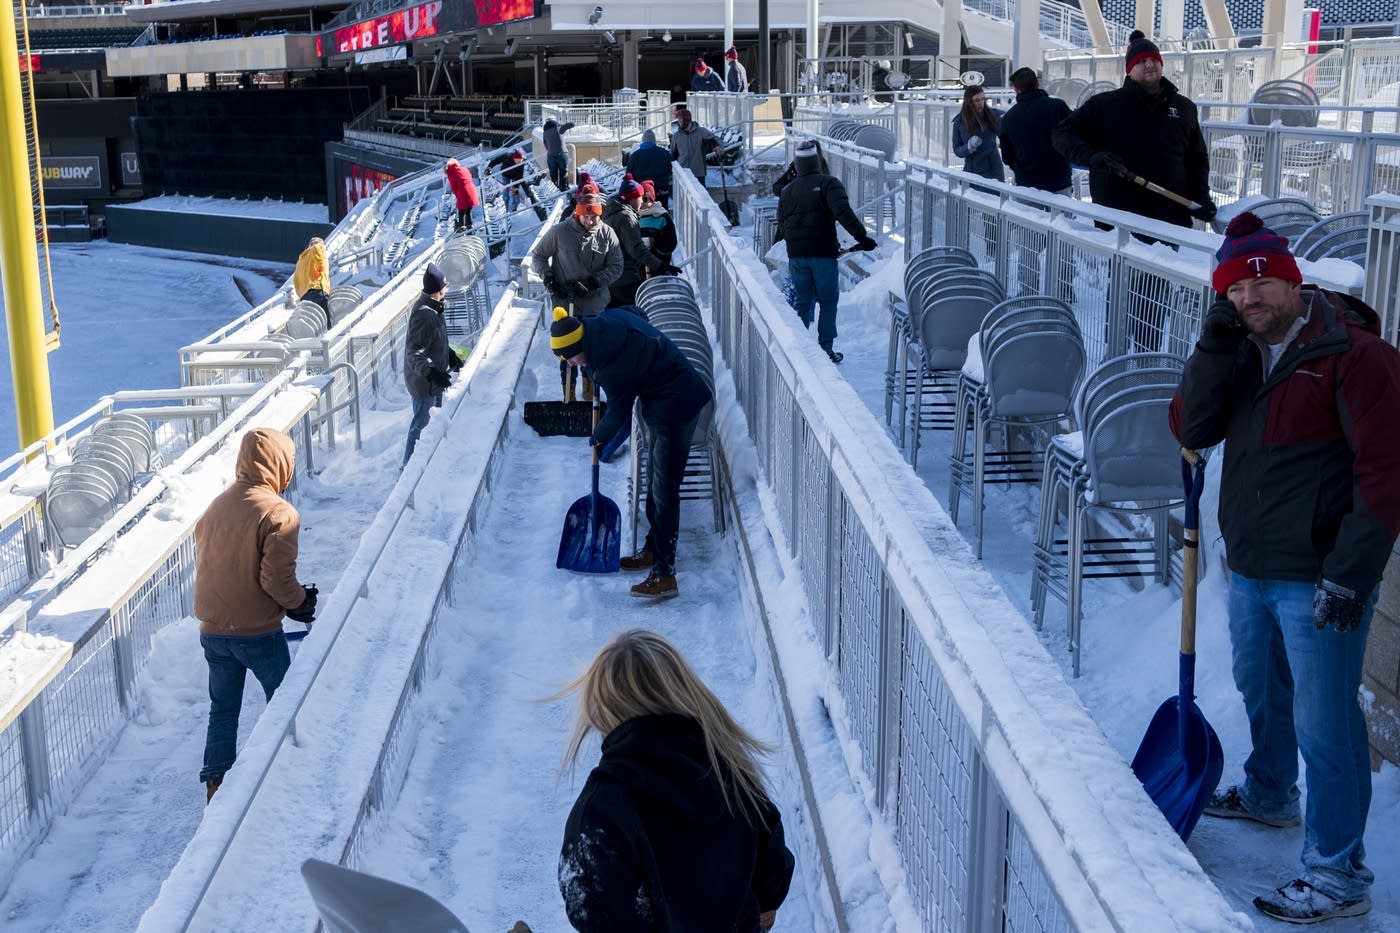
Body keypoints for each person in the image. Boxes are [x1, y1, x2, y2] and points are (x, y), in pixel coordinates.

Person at [1169, 212, 1400, 925]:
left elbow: (1387, 472)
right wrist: (1212, 348)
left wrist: (1349, 574)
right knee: (1261, 689)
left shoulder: (1356, 355)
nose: (1250, 298)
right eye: (1235, 289)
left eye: (1262, 283)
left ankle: (1338, 873)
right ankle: (1270, 794)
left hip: (1320, 574)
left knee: (1325, 724)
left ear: (1294, 281)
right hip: (1251, 564)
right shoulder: (1238, 350)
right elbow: (1191, 428)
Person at [557, 629, 795, 929]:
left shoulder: (599, 813)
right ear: (682, 689)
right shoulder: (728, 771)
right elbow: (772, 873)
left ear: (601, 711)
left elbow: (597, 911)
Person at [550, 307, 712, 598]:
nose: (571, 364)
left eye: (570, 358)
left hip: (677, 405)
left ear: (579, 347)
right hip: (663, 399)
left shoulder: (612, 366)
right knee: (654, 483)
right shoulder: (604, 324)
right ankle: (653, 548)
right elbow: (635, 312)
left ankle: (664, 574)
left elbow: (619, 412)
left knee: (664, 491)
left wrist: (598, 437)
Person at [194, 427, 316, 803]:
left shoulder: (216, 507)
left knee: (222, 710)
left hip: (214, 630)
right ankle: (285, 777)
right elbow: (276, 579)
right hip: (257, 632)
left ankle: (216, 787)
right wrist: (300, 602)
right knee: (284, 704)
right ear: (279, 464)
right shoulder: (278, 513)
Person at [1052, 30, 1216, 229]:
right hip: (1118, 221)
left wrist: (1200, 197)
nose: (1149, 64)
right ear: (1129, 70)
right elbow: (1062, 134)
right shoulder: (1104, 105)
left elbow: (1197, 159)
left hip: (1171, 219)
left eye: (1154, 59)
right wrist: (1093, 156)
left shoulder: (1184, 107)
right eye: (1141, 61)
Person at [776, 140, 877, 364]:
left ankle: (800, 349)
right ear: (818, 161)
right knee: (828, 302)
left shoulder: (786, 190)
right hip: (823, 254)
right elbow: (844, 213)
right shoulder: (828, 183)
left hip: (796, 256)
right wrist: (863, 238)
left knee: (802, 302)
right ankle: (825, 349)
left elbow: (782, 225)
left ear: (797, 164)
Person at [530, 184, 623, 318]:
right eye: (585, 216)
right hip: (565, 305)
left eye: (594, 217)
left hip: (595, 307)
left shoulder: (607, 233)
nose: (590, 221)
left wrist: (596, 281)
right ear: (578, 214)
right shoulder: (559, 231)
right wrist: (549, 279)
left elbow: (617, 266)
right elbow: (538, 255)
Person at [402, 262, 462, 466]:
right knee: (420, 427)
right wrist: (431, 372)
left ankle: (429, 463)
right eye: (444, 286)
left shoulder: (434, 309)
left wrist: (450, 355)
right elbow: (414, 352)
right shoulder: (425, 314)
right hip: (424, 384)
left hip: (433, 381)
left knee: (433, 425)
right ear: (438, 290)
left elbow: (434, 340)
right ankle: (408, 468)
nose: (446, 289)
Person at [999, 67, 1073, 195]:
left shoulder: (1009, 118)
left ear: (1016, 90)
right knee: (1061, 209)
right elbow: (1075, 135)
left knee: (1026, 210)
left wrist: (1019, 168)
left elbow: (1007, 157)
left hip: (1027, 184)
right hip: (1059, 180)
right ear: (1037, 84)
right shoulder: (1058, 107)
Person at [600, 174, 667, 308]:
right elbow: (636, 249)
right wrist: (659, 266)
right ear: (632, 198)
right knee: (636, 314)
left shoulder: (610, 213)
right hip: (626, 278)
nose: (642, 202)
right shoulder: (626, 218)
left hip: (611, 278)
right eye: (640, 197)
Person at [951, 84, 1005, 183]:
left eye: (983, 99)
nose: (980, 103)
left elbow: (1005, 135)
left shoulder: (992, 116)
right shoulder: (960, 122)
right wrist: (968, 147)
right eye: (976, 100)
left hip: (993, 169)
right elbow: (957, 149)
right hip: (972, 170)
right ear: (968, 102)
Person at [669, 108, 722, 184]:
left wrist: (718, 146)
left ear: (687, 119)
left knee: (700, 191)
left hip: (698, 172)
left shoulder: (701, 132)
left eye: (681, 119)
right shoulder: (676, 136)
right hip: (683, 173)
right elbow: (673, 155)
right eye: (678, 119)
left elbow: (714, 139)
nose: (679, 122)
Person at [623, 129, 674, 206]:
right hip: (661, 189)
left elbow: (629, 174)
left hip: (642, 190)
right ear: (654, 140)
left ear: (643, 140)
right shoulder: (664, 153)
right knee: (661, 209)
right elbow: (672, 169)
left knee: (644, 211)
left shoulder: (634, 156)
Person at [291, 236, 331, 327]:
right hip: (318, 290)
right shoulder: (318, 248)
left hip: (304, 297)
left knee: (312, 327)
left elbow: (296, 281)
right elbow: (320, 261)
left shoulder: (300, 261)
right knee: (327, 326)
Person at [637, 180, 678, 267]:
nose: (641, 203)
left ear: (651, 199)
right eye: (638, 198)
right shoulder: (634, 216)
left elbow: (671, 243)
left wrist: (654, 242)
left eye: (644, 199)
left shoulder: (663, 217)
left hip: (660, 264)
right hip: (639, 266)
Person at [443, 158, 480, 233]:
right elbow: (470, 177)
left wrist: (457, 195)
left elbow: (453, 186)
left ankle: (462, 228)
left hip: (463, 191)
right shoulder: (464, 169)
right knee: (468, 209)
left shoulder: (451, 172)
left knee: (461, 211)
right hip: (471, 189)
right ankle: (469, 226)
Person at [488, 147, 529, 212]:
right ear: (515, 158)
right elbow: (495, 161)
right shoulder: (507, 157)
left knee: (515, 192)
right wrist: (489, 168)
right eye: (519, 160)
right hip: (506, 175)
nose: (520, 161)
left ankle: (515, 208)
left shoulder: (521, 163)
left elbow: (519, 176)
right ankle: (505, 207)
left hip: (515, 176)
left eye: (521, 160)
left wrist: (515, 187)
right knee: (505, 191)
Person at [543, 118, 576, 189]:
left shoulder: (545, 132)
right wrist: (562, 125)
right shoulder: (559, 128)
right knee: (563, 173)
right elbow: (572, 124)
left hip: (551, 155)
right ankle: (563, 189)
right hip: (561, 154)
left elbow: (545, 144)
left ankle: (554, 190)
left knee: (553, 174)